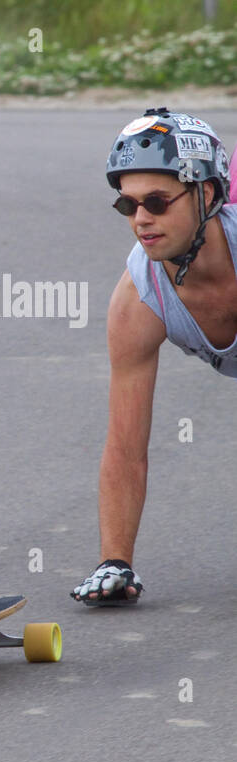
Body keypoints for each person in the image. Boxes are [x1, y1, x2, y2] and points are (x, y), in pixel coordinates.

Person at [72, 108, 233, 606]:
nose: (142, 220)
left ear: (206, 194)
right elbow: (125, 447)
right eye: (128, 205)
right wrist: (114, 560)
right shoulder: (138, 301)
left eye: (158, 202)